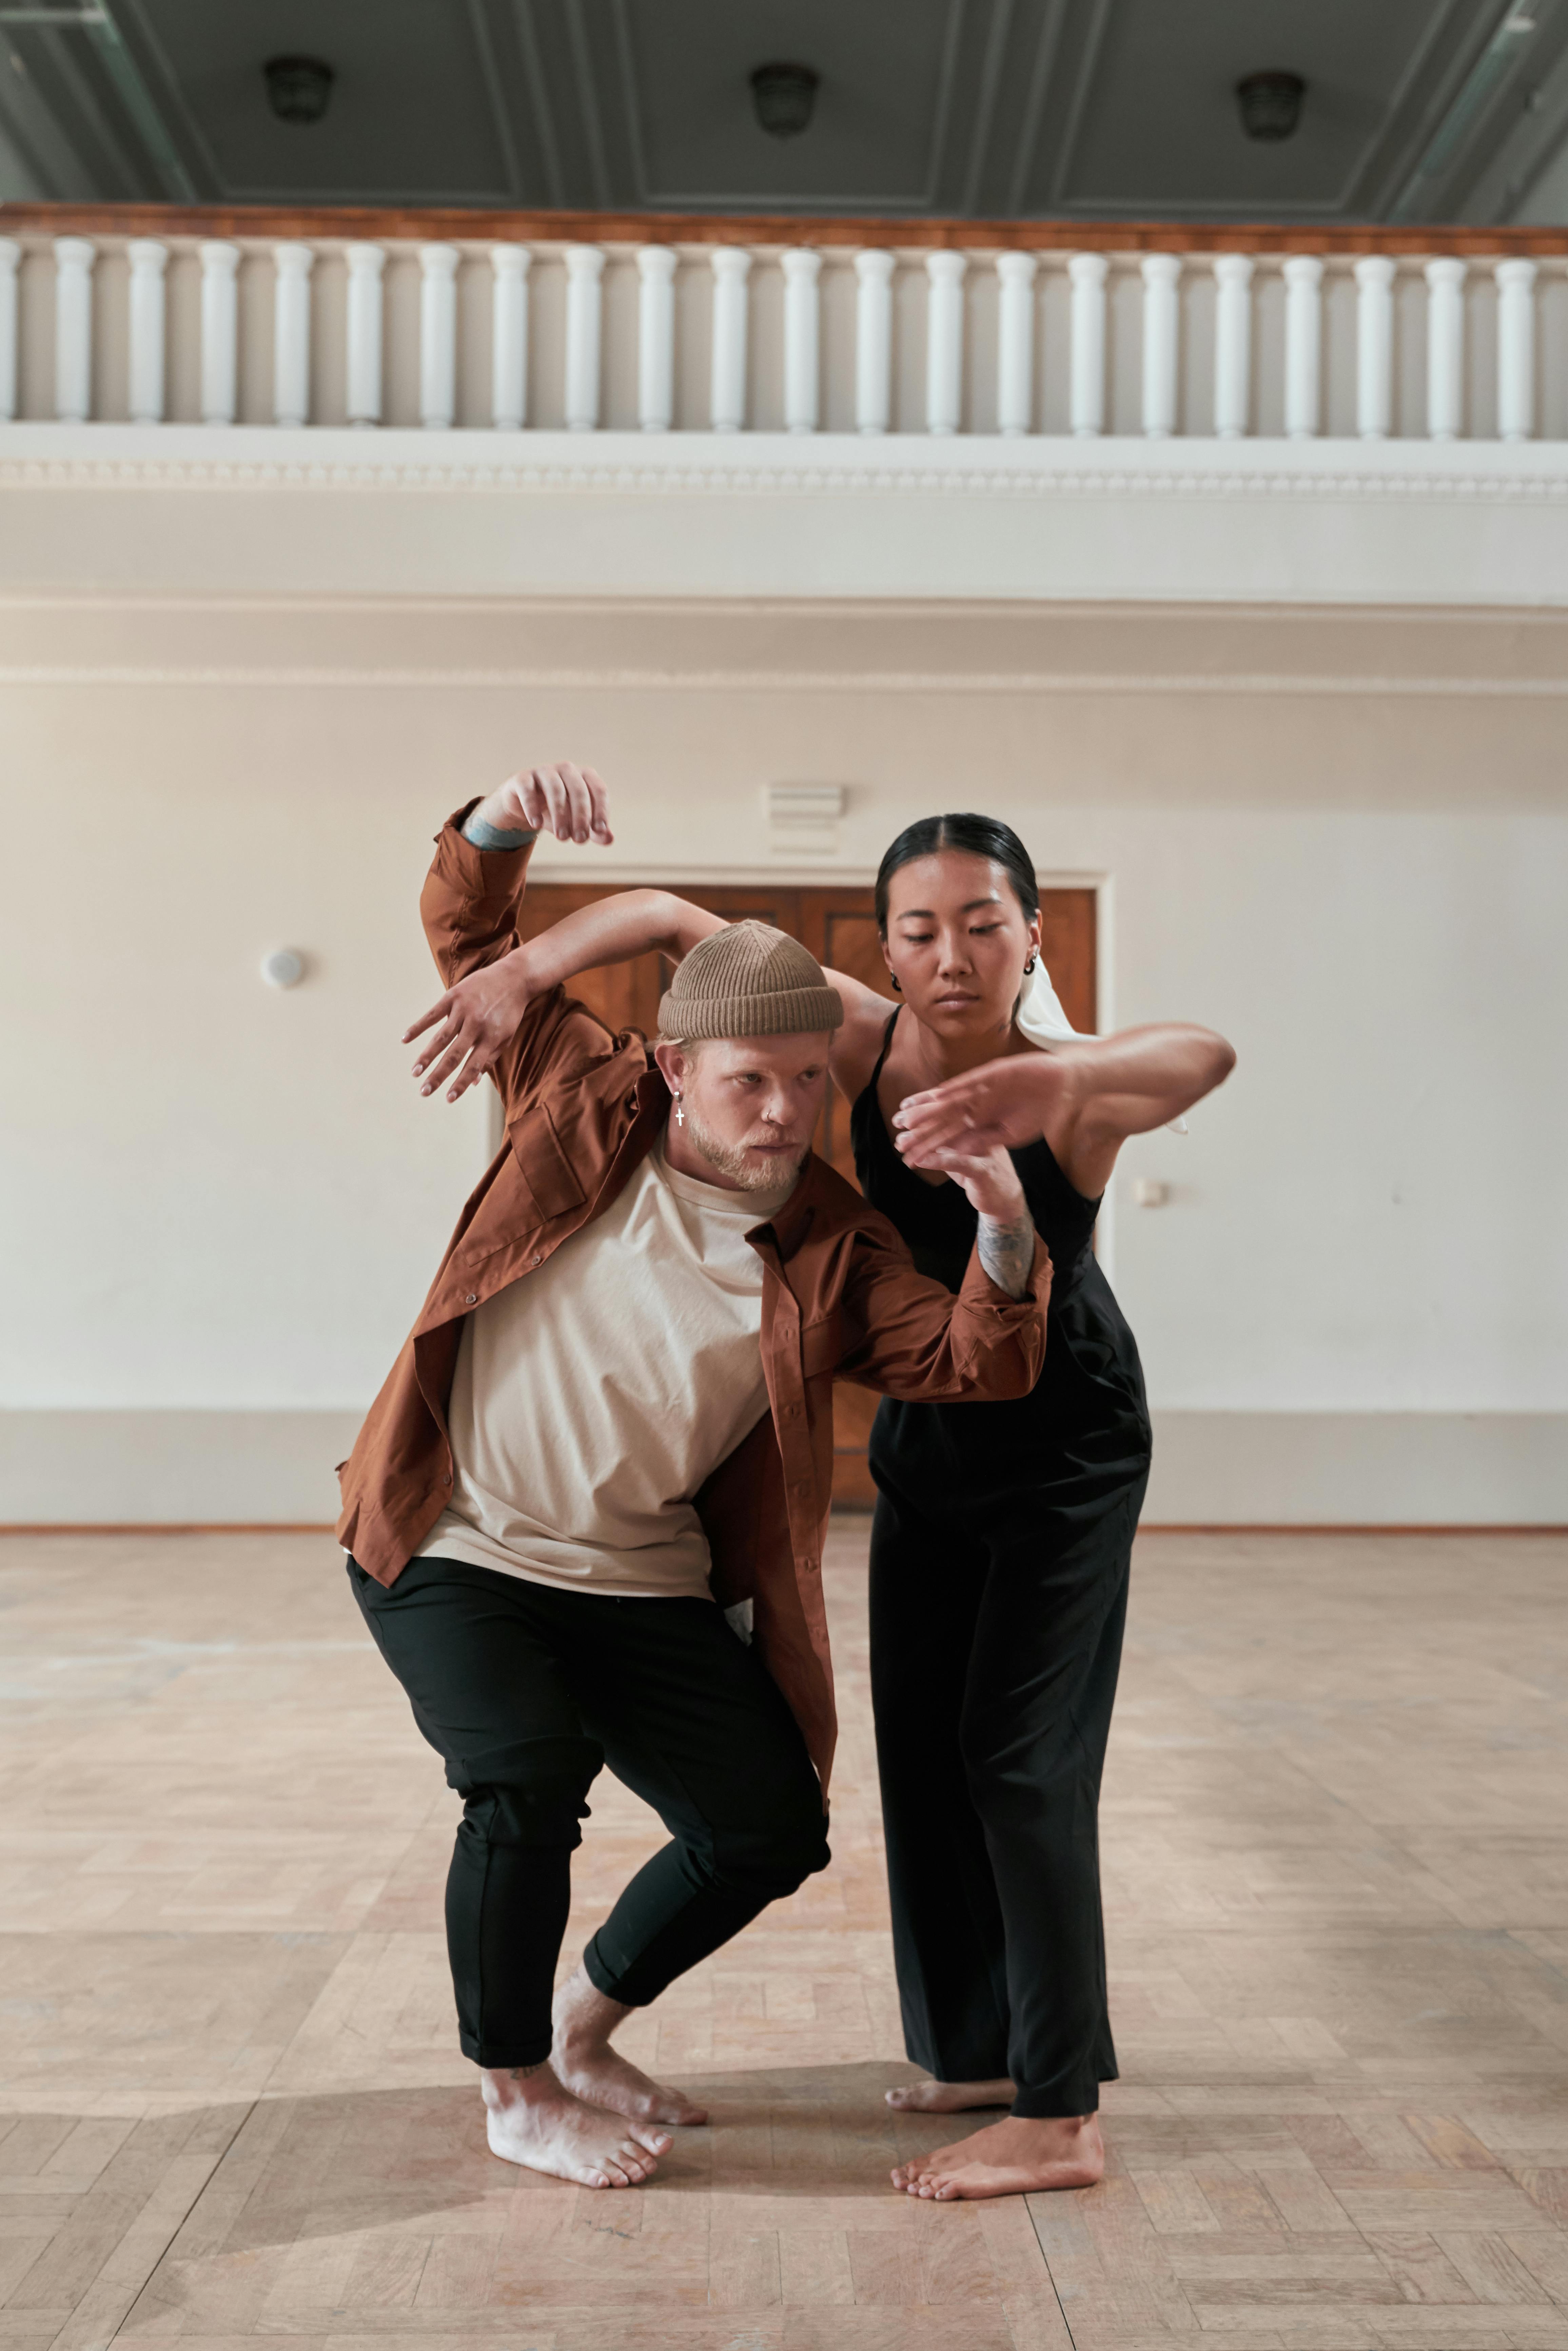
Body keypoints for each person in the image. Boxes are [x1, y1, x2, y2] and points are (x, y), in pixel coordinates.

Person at [416, 800, 1235, 2202]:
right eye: (921, 927)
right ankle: (976, 2043)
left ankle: (1059, 2106)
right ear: (886, 946)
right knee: (922, 1747)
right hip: (929, 1425)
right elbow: (672, 917)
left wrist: (1051, 1093)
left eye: (987, 923)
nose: (955, 952)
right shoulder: (848, 1034)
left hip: (1061, 1438)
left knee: (1018, 1757)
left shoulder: (1074, 1075)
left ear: (1031, 932)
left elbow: (1203, 1052)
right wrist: (524, 970)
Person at [343, 764, 1052, 2194]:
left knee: (768, 1828)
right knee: (523, 1778)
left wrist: (1005, 1227)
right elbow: (475, 931)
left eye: (808, 1080)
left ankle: (582, 2031)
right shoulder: (576, 1096)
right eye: (750, 1079)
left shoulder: (834, 1244)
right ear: (675, 1067)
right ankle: (514, 2085)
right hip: (457, 1541)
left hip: (639, 1580)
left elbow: (975, 1359)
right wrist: (502, 813)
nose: (785, 1109)